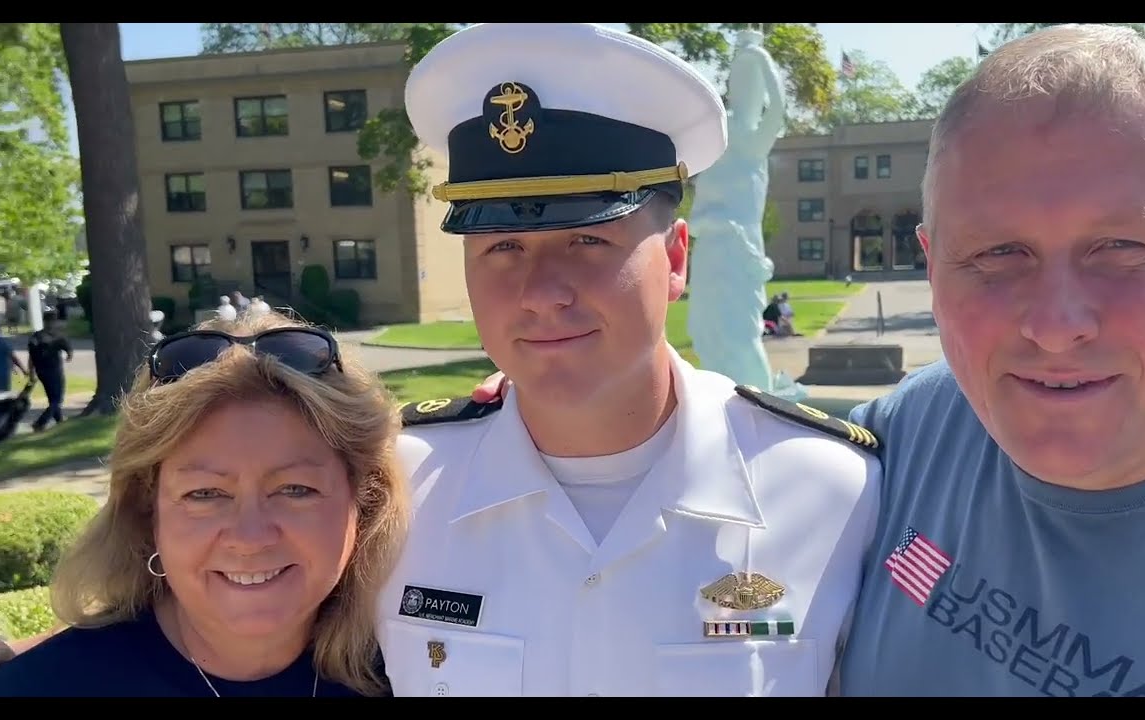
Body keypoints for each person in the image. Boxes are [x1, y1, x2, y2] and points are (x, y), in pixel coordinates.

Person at [377, 22, 882, 697]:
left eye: (587, 239)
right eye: (502, 247)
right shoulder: (391, 493)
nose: (541, 294)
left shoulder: (833, 490)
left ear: (676, 260)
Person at [830, 24, 1145, 697]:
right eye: (997, 254)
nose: (1056, 326)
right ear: (932, 265)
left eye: (1121, 246)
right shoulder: (903, 440)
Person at [0, 311, 410, 696]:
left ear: (365, 503)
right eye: (205, 494)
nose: (250, 538)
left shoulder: (420, 673)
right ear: (147, 511)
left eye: (295, 489)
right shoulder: (44, 685)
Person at [26, 311, 71, 432]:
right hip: (54, 371)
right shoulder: (58, 336)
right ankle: (40, 423)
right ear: (54, 321)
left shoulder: (35, 337)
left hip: (41, 372)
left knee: (52, 398)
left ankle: (59, 421)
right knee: (57, 399)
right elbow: (69, 352)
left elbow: (31, 357)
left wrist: (31, 373)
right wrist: (68, 356)